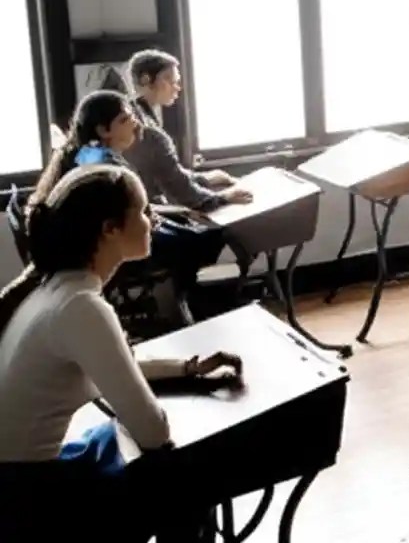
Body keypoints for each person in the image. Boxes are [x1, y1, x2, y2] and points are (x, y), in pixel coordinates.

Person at [0, 165, 241, 541]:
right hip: (28, 501)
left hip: (16, 482)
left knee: (118, 439)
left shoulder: (54, 287)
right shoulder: (81, 306)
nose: (153, 219)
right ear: (109, 228)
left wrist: (188, 367)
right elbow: (153, 430)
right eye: (144, 211)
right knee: (181, 474)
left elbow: (108, 367)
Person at [29, 90, 220, 330]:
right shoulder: (100, 165)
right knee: (194, 240)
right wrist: (175, 213)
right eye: (124, 119)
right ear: (103, 130)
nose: (135, 123)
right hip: (100, 246)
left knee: (191, 229)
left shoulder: (89, 153)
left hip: (105, 235)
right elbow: (128, 216)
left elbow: (138, 208)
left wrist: (178, 211)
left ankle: (175, 299)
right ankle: (174, 304)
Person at [123, 49, 250, 212]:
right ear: (146, 79)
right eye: (171, 81)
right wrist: (223, 198)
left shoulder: (135, 114)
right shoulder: (148, 132)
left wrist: (204, 179)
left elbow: (169, 172)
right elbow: (183, 193)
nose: (178, 88)